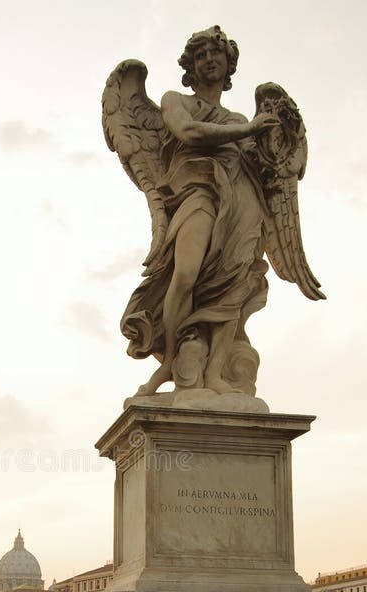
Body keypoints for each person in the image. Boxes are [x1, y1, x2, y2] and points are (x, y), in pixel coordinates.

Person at [120, 26, 278, 396]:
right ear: (191, 65)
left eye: (216, 55)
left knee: (235, 281)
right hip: (197, 191)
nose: (209, 60)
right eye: (201, 55)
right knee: (186, 273)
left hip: (240, 200)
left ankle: (215, 374)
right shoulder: (176, 100)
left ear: (228, 66)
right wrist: (249, 129)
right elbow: (188, 133)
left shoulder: (240, 118)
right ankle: (171, 365)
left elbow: (263, 168)